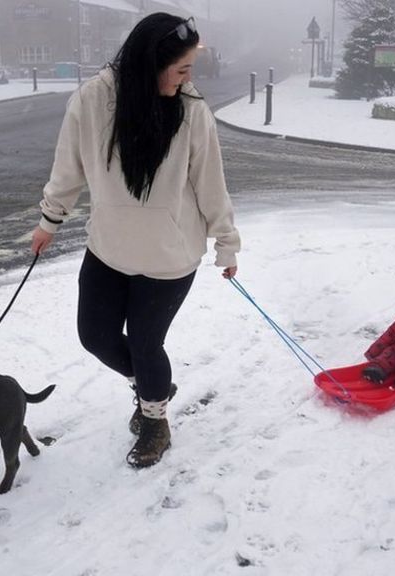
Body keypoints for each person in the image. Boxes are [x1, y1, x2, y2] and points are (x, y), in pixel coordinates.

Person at [30, 13, 241, 468]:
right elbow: (69, 170)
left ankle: (154, 420)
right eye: (181, 69)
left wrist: (226, 242)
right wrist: (49, 222)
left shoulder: (190, 111)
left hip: (169, 257)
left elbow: (211, 183)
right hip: (108, 250)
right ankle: (152, 384)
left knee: (147, 344)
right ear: (150, 63)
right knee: (95, 336)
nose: (188, 79)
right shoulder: (91, 101)